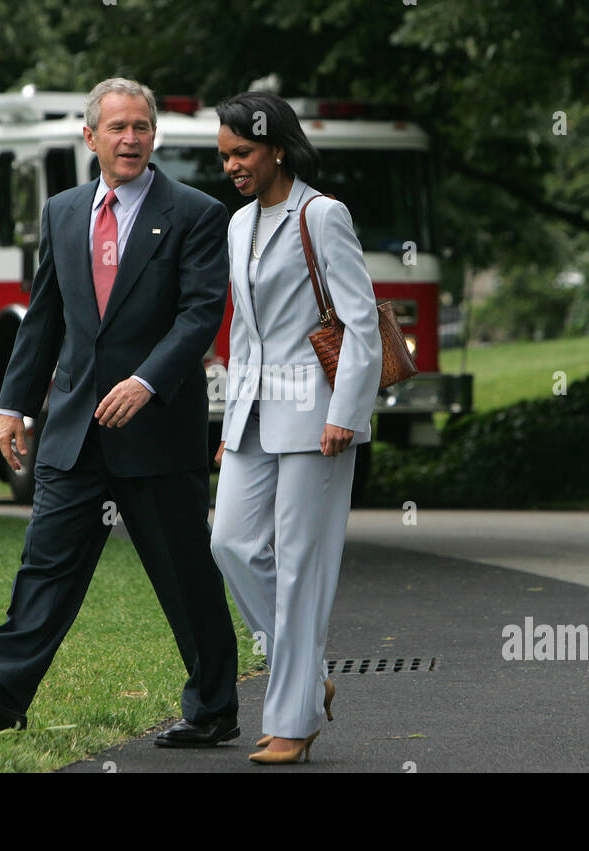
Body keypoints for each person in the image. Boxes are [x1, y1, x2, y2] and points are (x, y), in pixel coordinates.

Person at [0, 78, 241, 748]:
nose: (131, 139)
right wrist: (13, 404)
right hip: (72, 435)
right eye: (119, 127)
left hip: (157, 435)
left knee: (186, 578)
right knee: (45, 566)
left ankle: (214, 706)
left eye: (142, 128)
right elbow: (44, 322)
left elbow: (199, 317)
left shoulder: (196, 213)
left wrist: (147, 382)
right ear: (90, 136)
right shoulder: (63, 213)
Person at [209, 92, 382, 764]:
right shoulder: (237, 225)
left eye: (242, 153)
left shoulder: (323, 215)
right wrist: (230, 423)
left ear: (277, 147)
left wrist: (345, 412)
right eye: (224, 157)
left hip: (318, 421)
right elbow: (244, 336)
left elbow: (360, 321)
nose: (232, 167)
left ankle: (294, 721)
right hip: (253, 417)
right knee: (229, 544)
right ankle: (309, 683)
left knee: (302, 570)